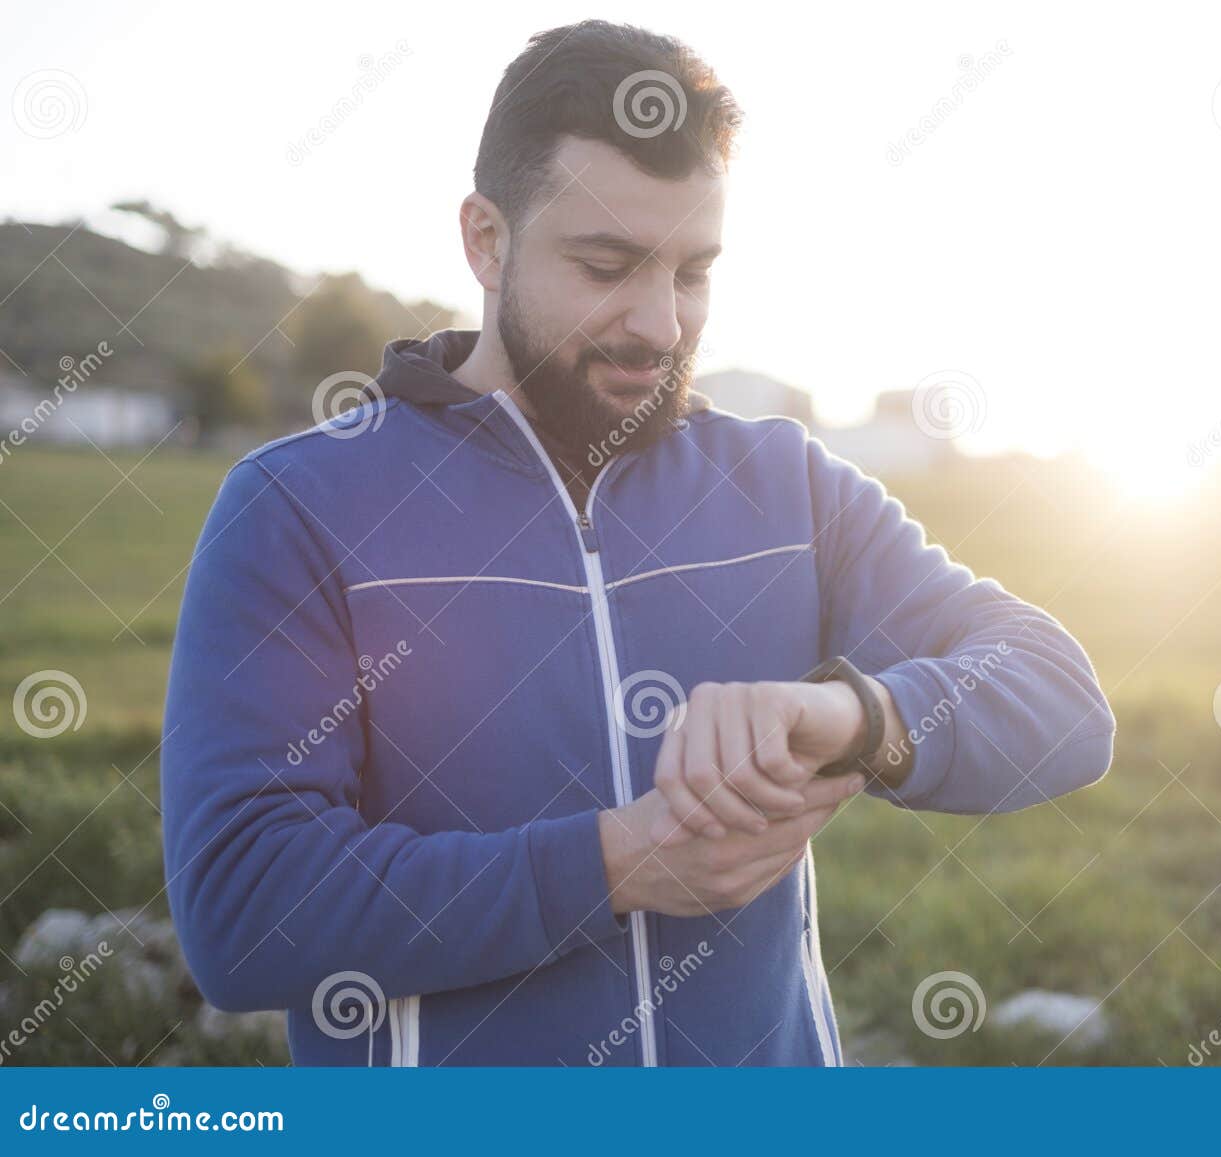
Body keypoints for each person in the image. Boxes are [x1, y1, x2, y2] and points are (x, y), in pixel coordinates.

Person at [161, 19, 1115, 1066]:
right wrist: (612, 864)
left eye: (692, 271)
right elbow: (246, 908)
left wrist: (849, 712)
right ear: (486, 239)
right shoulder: (299, 503)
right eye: (608, 265)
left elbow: (1059, 696)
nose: (660, 323)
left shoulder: (786, 484)